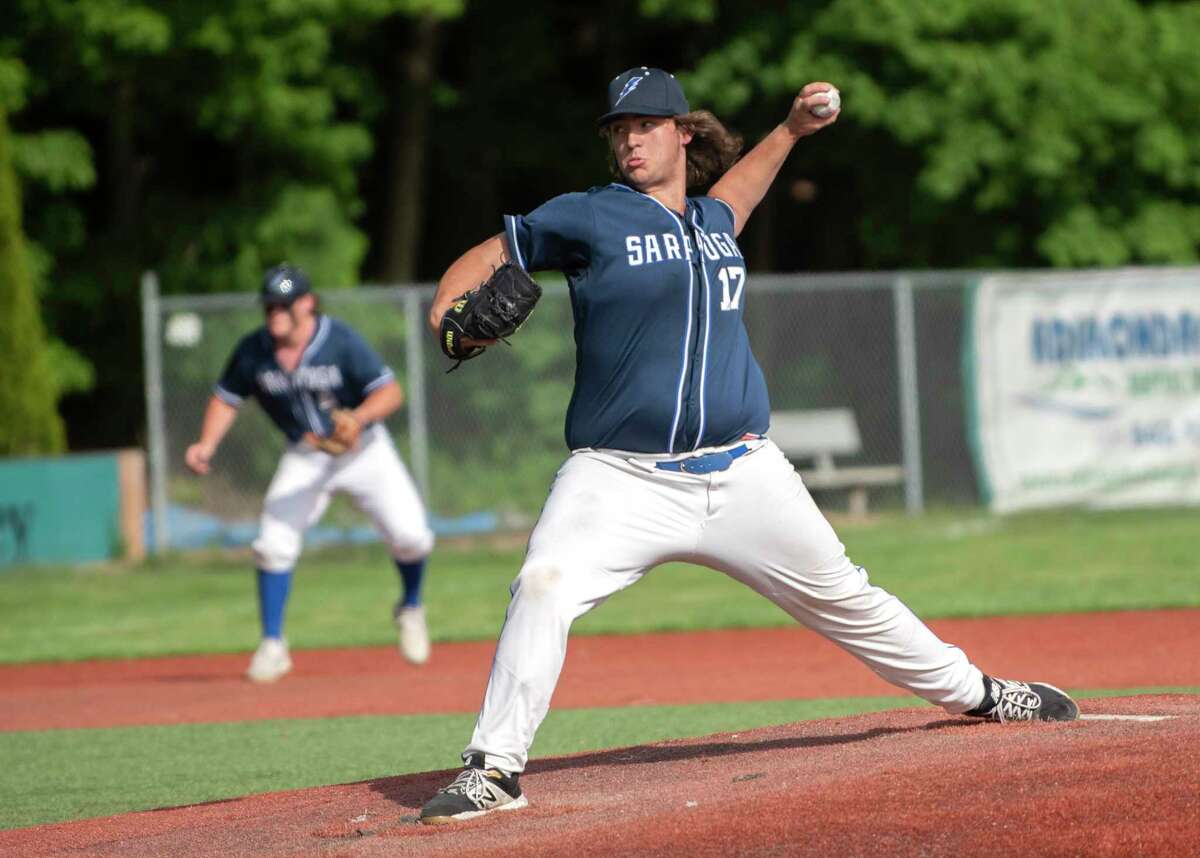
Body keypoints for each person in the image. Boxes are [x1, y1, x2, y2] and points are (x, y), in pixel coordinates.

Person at [417, 68, 1078, 824]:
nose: (630, 138)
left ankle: (984, 694)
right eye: (618, 129)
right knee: (544, 583)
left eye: (645, 124)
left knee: (846, 595)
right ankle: (493, 769)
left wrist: (792, 129)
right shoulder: (589, 217)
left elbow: (743, 191)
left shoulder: (711, 220)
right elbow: (495, 251)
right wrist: (447, 312)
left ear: (682, 132)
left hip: (744, 472)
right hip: (620, 476)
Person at [185, 264, 435, 682]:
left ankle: (410, 607)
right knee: (271, 543)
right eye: (269, 304)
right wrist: (206, 443)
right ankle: (272, 645)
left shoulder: (340, 341)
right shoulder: (253, 351)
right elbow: (226, 398)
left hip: (364, 452)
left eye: (284, 303)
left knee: (412, 537)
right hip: (306, 454)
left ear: (307, 303)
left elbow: (390, 392)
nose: (275, 311)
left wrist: (357, 417)